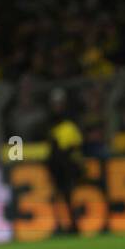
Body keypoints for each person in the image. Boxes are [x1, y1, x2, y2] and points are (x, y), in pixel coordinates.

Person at [46, 87, 85, 233]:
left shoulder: (69, 125)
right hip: (57, 167)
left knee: (70, 196)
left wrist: (76, 166)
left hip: (68, 167)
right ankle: (64, 225)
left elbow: (75, 148)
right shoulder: (51, 125)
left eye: (59, 103)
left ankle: (74, 224)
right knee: (60, 197)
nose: (57, 106)